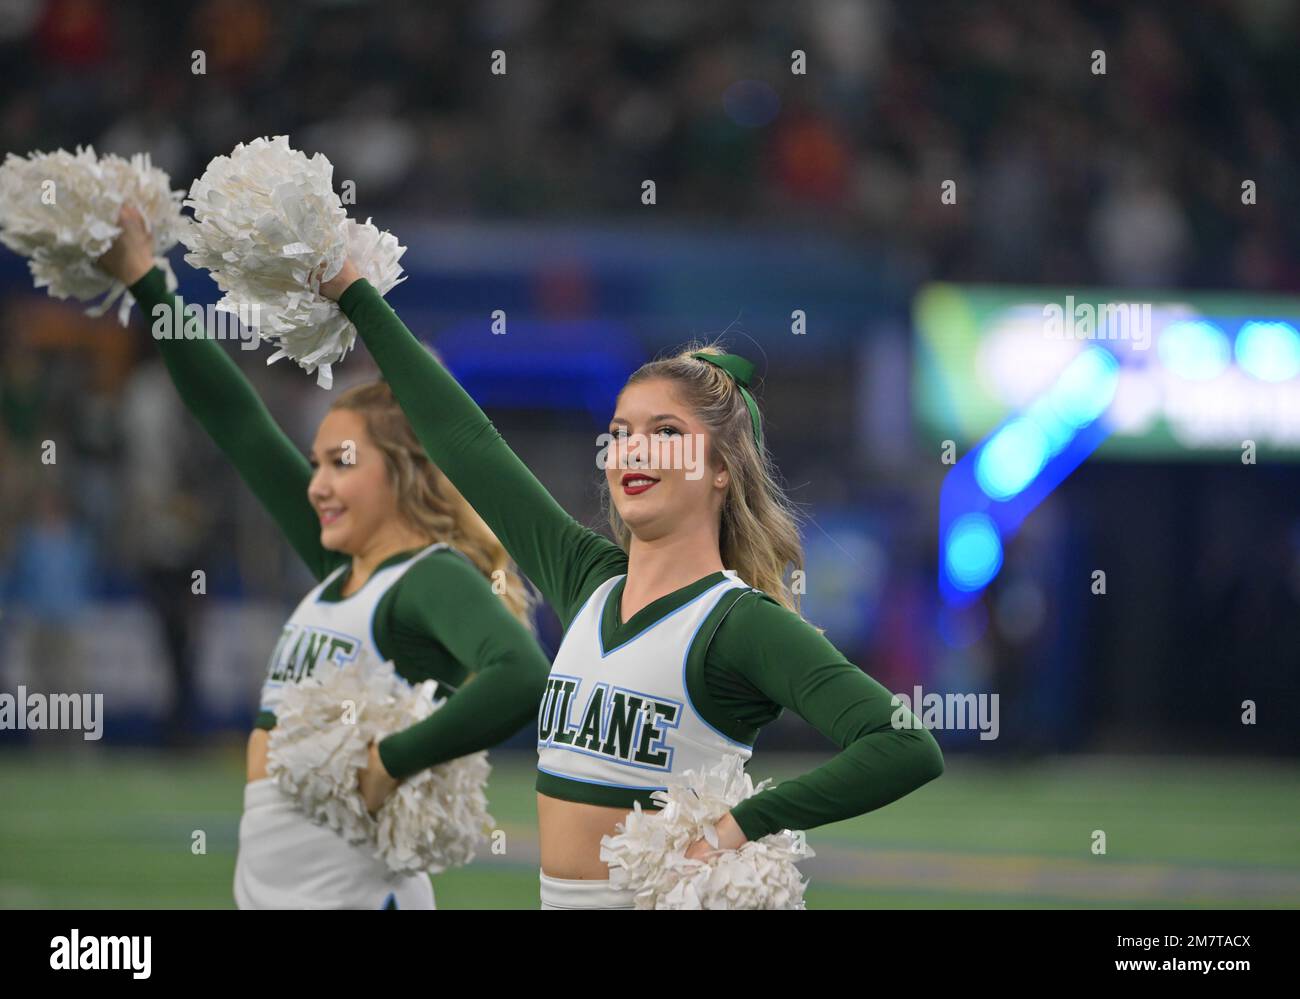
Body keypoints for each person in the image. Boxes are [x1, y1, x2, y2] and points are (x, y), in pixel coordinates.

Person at [318, 258, 946, 909]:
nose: (633, 450)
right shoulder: (585, 577)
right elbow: (463, 440)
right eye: (619, 434)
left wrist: (741, 823)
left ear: (722, 468)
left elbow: (905, 743)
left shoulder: (738, 624)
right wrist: (354, 292)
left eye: (665, 433)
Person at [97, 206, 552, 909]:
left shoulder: (426, 577)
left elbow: (523, 673)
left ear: (403, 470)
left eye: (341, 462)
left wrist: (390, 763)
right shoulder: (342, 570)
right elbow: (236, 420)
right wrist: (146, 282)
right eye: (315, 463)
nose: (317, 485)